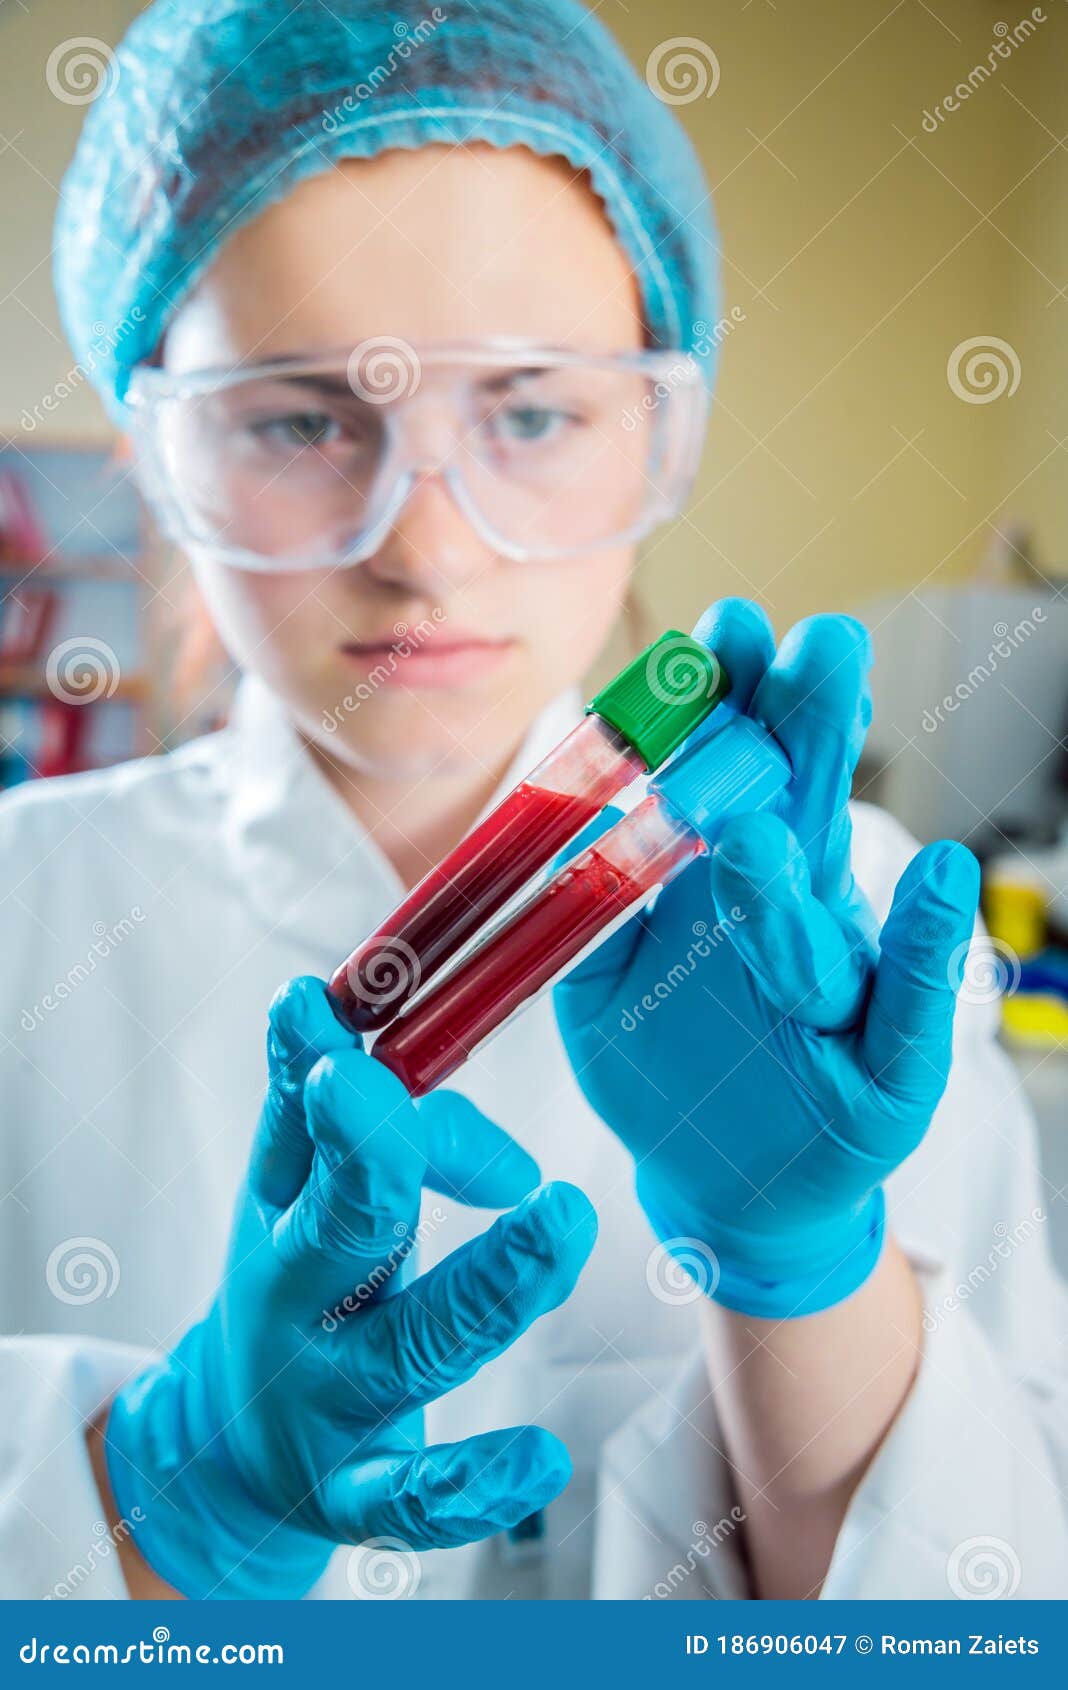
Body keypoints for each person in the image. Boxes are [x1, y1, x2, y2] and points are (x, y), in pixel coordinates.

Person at [1, 0, 1065, 1600]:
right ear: (161, 454)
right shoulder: (28, 913)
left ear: (661, 423)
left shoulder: (854, 932)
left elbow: (978, 1609)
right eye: (302, 416)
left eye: (534, 410)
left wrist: (803, 1276)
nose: (425, 548)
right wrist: (159, 1502)